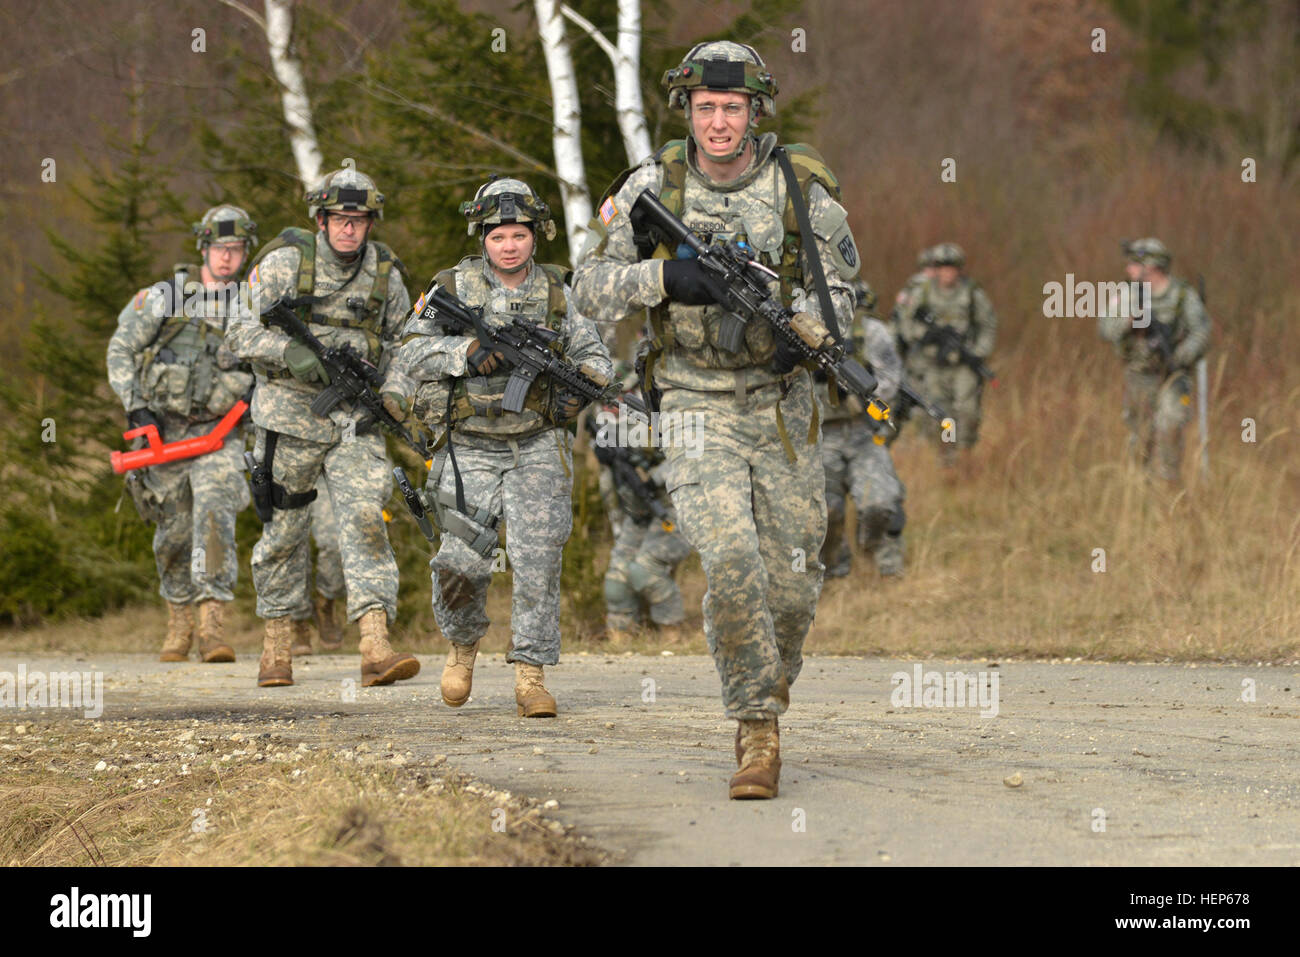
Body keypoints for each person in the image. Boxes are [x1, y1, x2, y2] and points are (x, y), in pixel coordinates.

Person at [573, 41, 861, 799]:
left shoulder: (802, 189)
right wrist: (667, 275)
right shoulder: (653, 186)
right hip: (693, 399)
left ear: (756, 110)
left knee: (795, 582)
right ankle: (757, 724)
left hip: (782, 403)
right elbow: (586, 287)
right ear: (687, 111)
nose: (720, 122)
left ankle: (768, 680)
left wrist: (811, 329)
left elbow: (842, 293)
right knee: (730, 560)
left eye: (733, 108)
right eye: (706, 108)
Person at [382, 177, 613, 716]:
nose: (509, 246)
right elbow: (409, 354)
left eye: (519, 236)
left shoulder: (559, 293)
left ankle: (530, 675)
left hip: (536, 445)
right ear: (482, 237)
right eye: (498, 236)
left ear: (536, 236)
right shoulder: (453, 289)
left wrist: (579, 379)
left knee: (536, 559)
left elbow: (598, 359)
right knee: (461, 561)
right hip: (469, 445)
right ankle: (462, 648)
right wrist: (465, 351)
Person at [226, 166, 419, 689]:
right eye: (339, 219)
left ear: (371, 223)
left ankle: (375, 643)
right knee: (285, 532)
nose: (349, 229)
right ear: (321, 219)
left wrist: (396, 391)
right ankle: (278, 645)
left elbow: (406, 344)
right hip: (290, 420)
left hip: (355, 421)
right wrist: (287, 351)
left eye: (358, 220)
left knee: (364, 519)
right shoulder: (286, 264)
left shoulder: (387, 276)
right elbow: (238, 332)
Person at [106, 204, 256, 663]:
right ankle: (179, 621)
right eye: (218, 248)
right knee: (172, 531)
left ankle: (212, 627)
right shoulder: (166, 297)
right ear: (203, 248)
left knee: (213, 514)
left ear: (245, 252)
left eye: (235, 249)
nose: (226, 257)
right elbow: (121, 349)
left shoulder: (255, 306)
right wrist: (136, 408)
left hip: (222, 434)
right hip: (165, 434)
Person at [588, 373, 692, 643]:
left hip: (673, 513)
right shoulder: (608, 431)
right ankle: (620, 645)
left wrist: (654, 474)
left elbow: (690, 460)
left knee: (645, 571)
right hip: (638, 517)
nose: (616, 405)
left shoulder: (668, 416)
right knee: (616, 581)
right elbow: (613, 497)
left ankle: (674, 638)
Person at [1098, 237, 1209, 482]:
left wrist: (1181, 356)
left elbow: (1201, 332)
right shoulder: (1125, 295)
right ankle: (1141, 493)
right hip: (1140, 376)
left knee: (1170, 427)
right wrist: (1129, 321)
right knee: (1141, 437)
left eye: (1135, 264)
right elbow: (1105, 328)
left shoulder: (1182, 296)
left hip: (1174, 376)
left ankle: (1169, 487)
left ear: (1151, 266)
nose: (1128, 269)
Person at [818, 280, 906, 579]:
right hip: (817, 437)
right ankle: (833, 569)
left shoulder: (871, 332)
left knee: (880, 502)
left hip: (862, 433)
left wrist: (861, 396)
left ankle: (872, 549)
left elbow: (891, 379)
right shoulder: (796, 327)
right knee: (826, 513)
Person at [894, 242, 996, 467]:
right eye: (942, 267)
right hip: (933, 364)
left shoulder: (972, 293)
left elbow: (988, 325)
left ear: (959, 269)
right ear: (936, 269)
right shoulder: (923, 293)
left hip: (963, 364)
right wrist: (927, 336)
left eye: (952, 267)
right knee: (941, 414)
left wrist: (979, 352)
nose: (947, 273)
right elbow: (906, 323)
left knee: (967, 410)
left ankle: (965, 451)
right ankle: (947, 459)